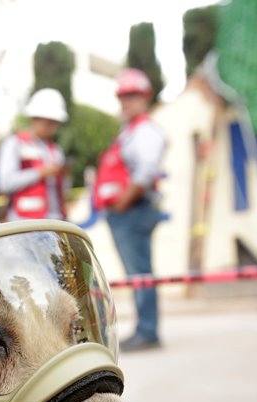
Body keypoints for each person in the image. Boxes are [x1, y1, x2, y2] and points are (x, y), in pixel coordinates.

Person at [94, 68, 167, 352]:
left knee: (140, 272)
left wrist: (124, 201)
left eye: (132, 96)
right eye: (123, 96)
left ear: (145, 97)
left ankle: (147, 331)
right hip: (127, 211)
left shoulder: (146, 131)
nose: (126, 102)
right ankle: (145, 328)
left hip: (134, 210)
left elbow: (145, 172)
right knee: (138, 272)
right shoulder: (130, 131)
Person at [0, 88, 69, 221]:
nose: (52, 128)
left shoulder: (55, 150)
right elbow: (4, 183)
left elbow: (63, 189)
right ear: (35, 118)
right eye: (49, 122)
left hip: (55, 221)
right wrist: (40, 173)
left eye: (55, 123)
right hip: (25, 224)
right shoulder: (14, 143)